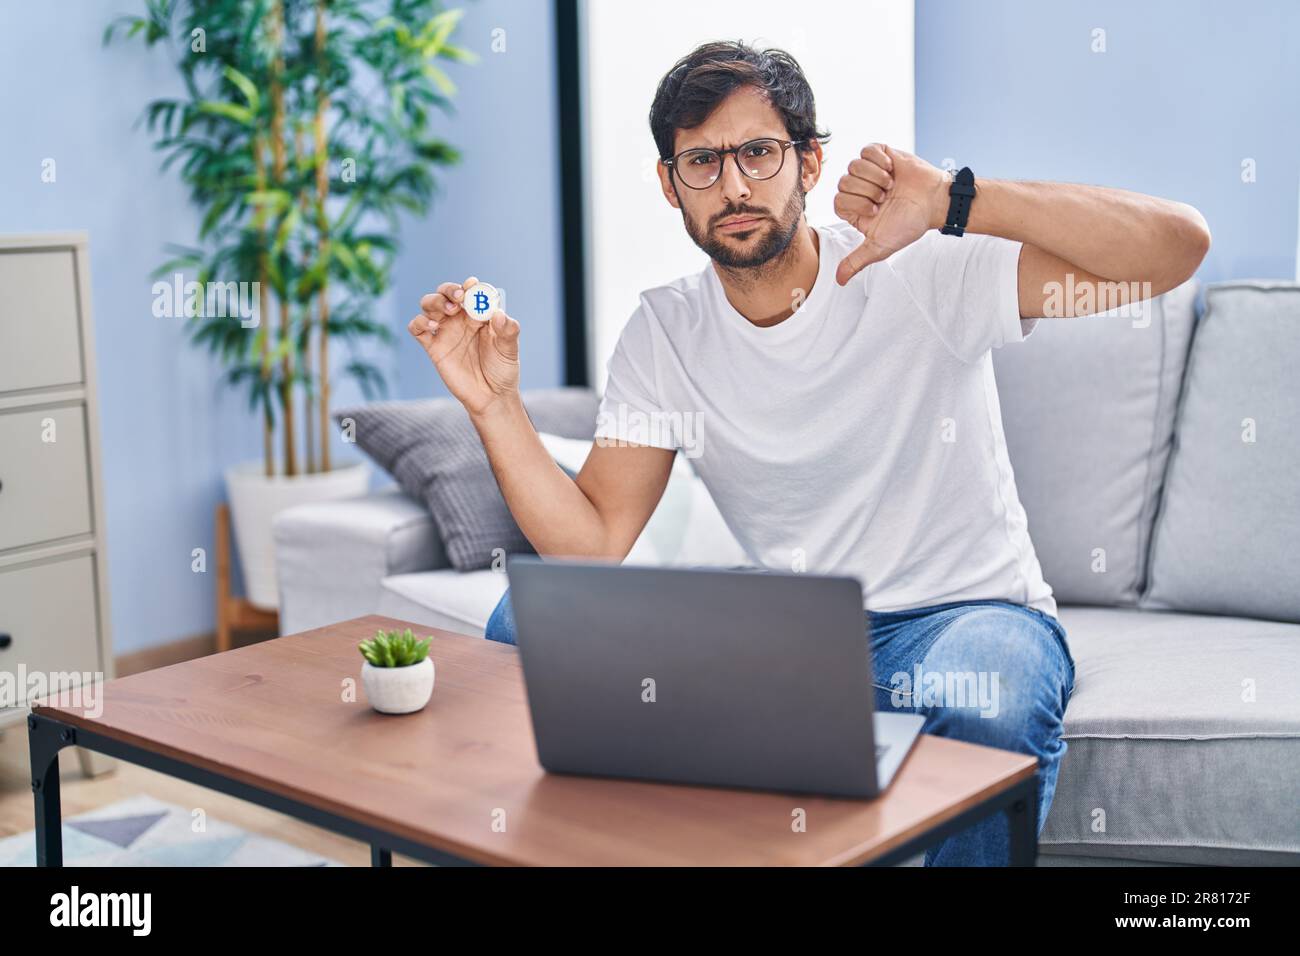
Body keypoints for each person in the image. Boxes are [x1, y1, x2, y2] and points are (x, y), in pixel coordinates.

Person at [407, 41, 1210, 865]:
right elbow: (591, 544)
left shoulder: (920, 269)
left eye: (759, 152)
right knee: (523, 626)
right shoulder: (665, 332)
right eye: (702, 161)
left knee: (990, 693)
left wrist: (956, 198)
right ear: (667, 183)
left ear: (809, 162)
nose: (735, 186)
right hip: (791, 632)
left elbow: (1176, 248)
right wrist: (496, 407)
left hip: (962, 618)